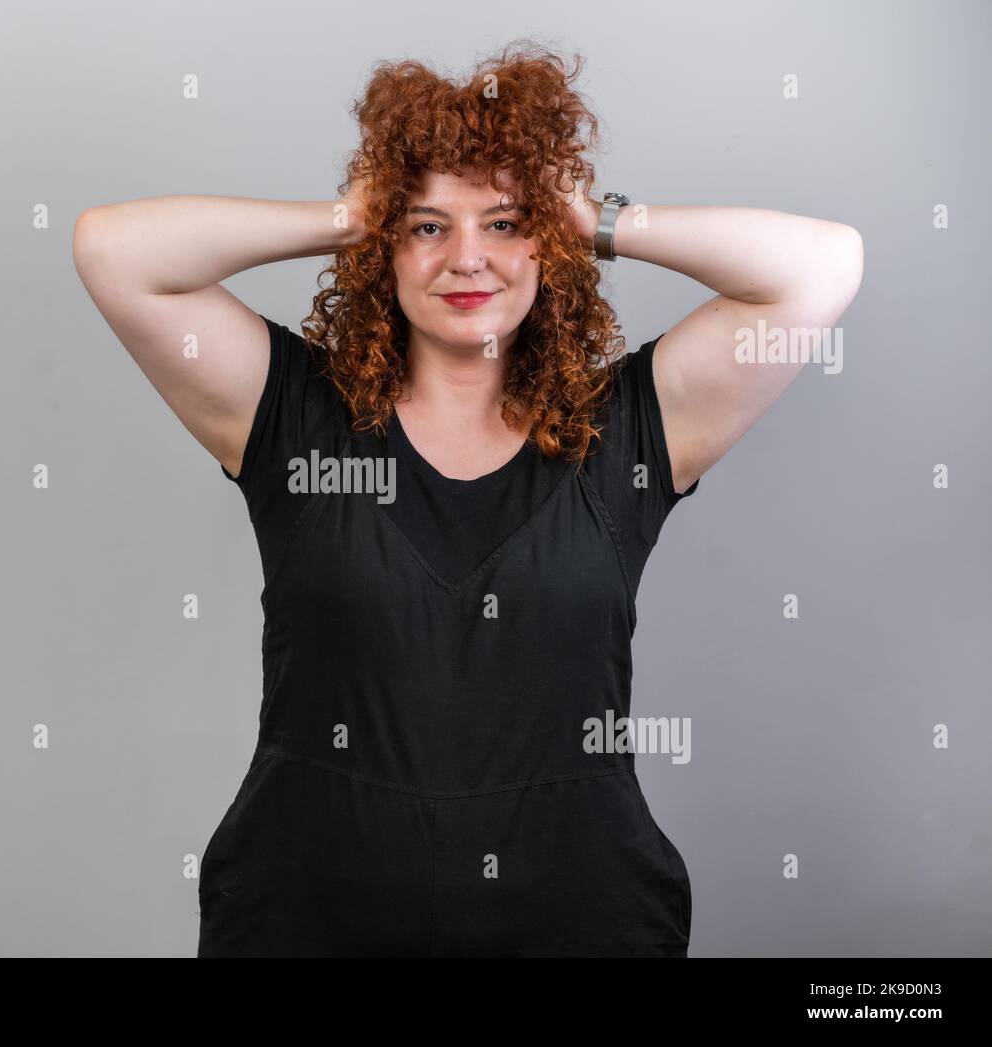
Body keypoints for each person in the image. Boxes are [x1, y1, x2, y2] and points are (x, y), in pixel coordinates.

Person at [71, 41, 863, 957]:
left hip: (579, 922)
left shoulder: (628, 435)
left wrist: (592, 215)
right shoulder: (290, 418)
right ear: (385, 248)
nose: (467, 259)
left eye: (504, 222)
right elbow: (111, 249)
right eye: (426, 227)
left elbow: (823, 267)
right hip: (306, 921)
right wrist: (348, 213)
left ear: (549, 245)